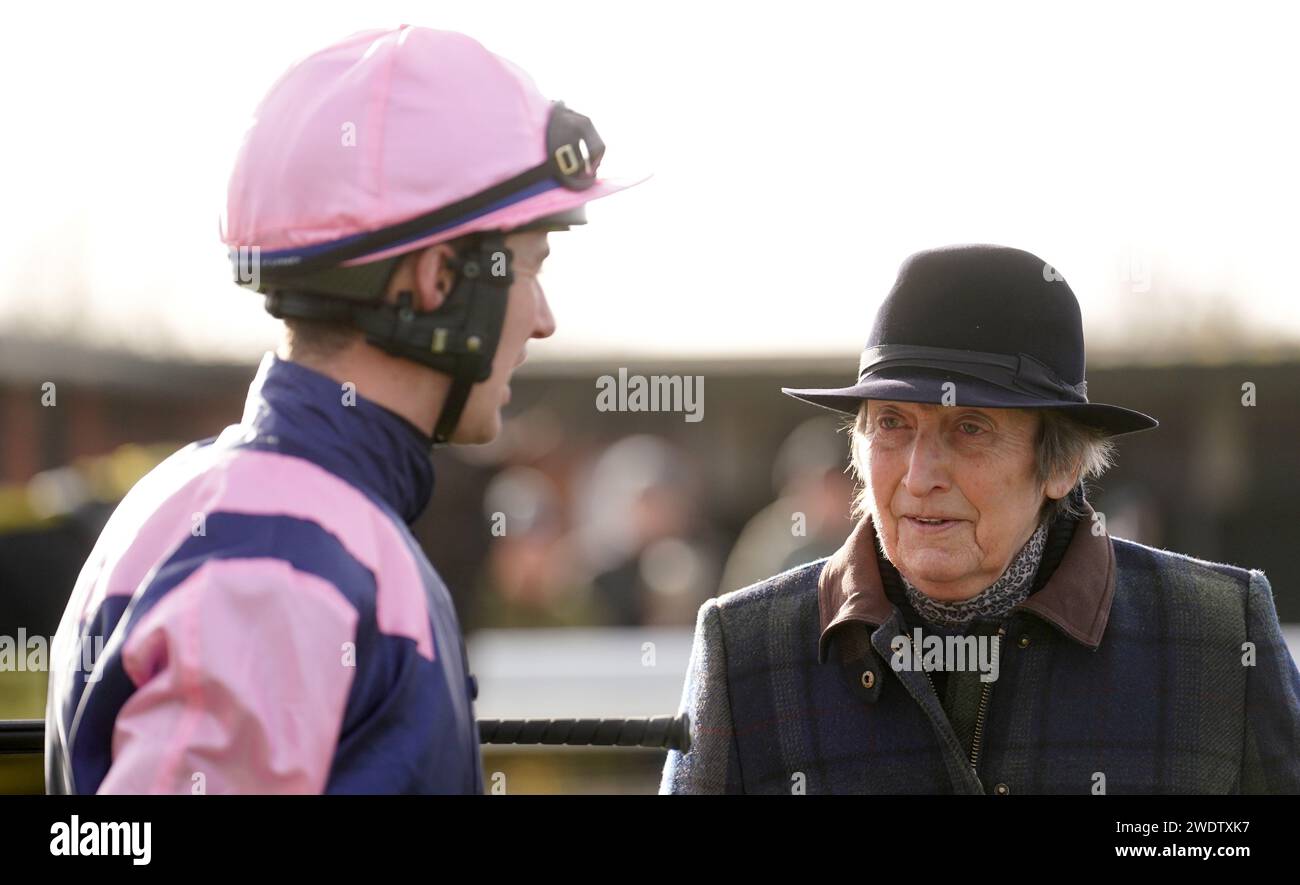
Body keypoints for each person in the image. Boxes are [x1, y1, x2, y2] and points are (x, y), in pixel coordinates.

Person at [44, 25, 641, 794]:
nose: (544, 319)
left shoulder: (221, 504)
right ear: (437, 280)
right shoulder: (279, 557)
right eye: (534, 267)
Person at [661, 244, 1300, 794]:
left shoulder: (1217, 635)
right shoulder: (745, 648)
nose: (918, 477)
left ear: (1062, 464)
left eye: (970, 429)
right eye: (891, 425)